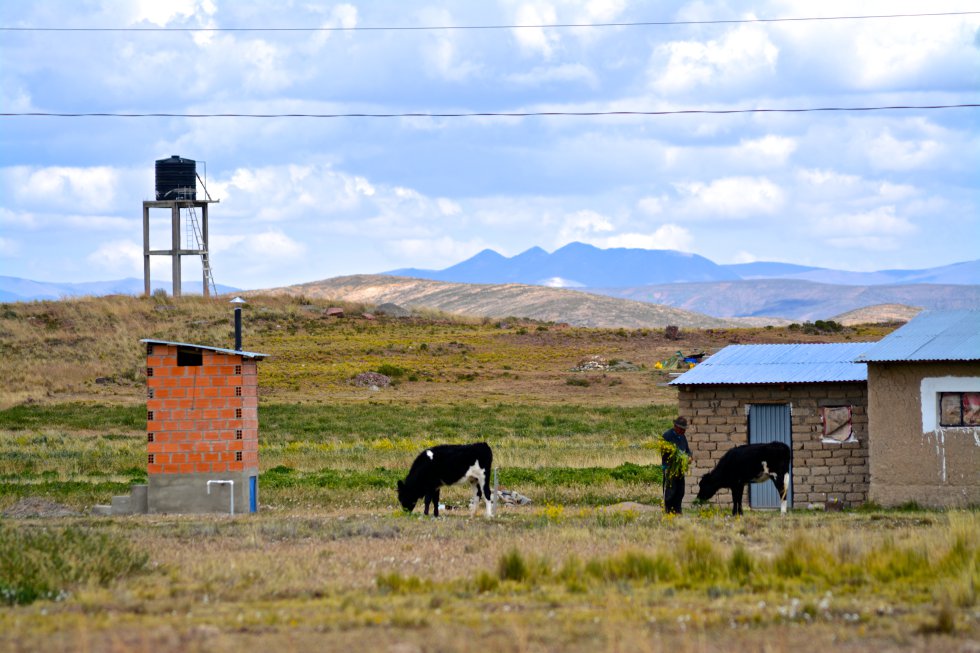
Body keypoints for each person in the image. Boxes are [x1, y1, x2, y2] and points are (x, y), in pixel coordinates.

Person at [661, 416, 692, 515]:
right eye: (682, 429)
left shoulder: (682, 437)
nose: (684, 431)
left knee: (680, 491)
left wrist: (689, 457)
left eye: (684, 429)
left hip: (680, 469)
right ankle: (669, 512)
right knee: (671, 491)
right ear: (675, 427)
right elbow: (664, 453)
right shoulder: (667, 436)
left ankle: (678, 511)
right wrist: (675, 457)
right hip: (670, 468)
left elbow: (687, 450)